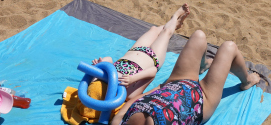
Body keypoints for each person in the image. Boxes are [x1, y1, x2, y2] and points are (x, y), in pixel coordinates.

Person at [111, 28, 260, 125]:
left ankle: (202, 65)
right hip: (202, 99)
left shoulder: (119, 121)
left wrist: (160, 87)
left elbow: (135, 100)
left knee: (198, 36)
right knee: (229, 47)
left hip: (174, 82)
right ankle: (246, 81)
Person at [93, 4, 190, 105]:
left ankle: (176, 24)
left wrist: (100, 64)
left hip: (135, 50)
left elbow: (109, 59)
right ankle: (174, 17)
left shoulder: (101, 77)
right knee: (166, 32)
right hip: (153, 57)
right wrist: (132, 79)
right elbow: (152, 71)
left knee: (154, 29)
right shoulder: (128, 94)